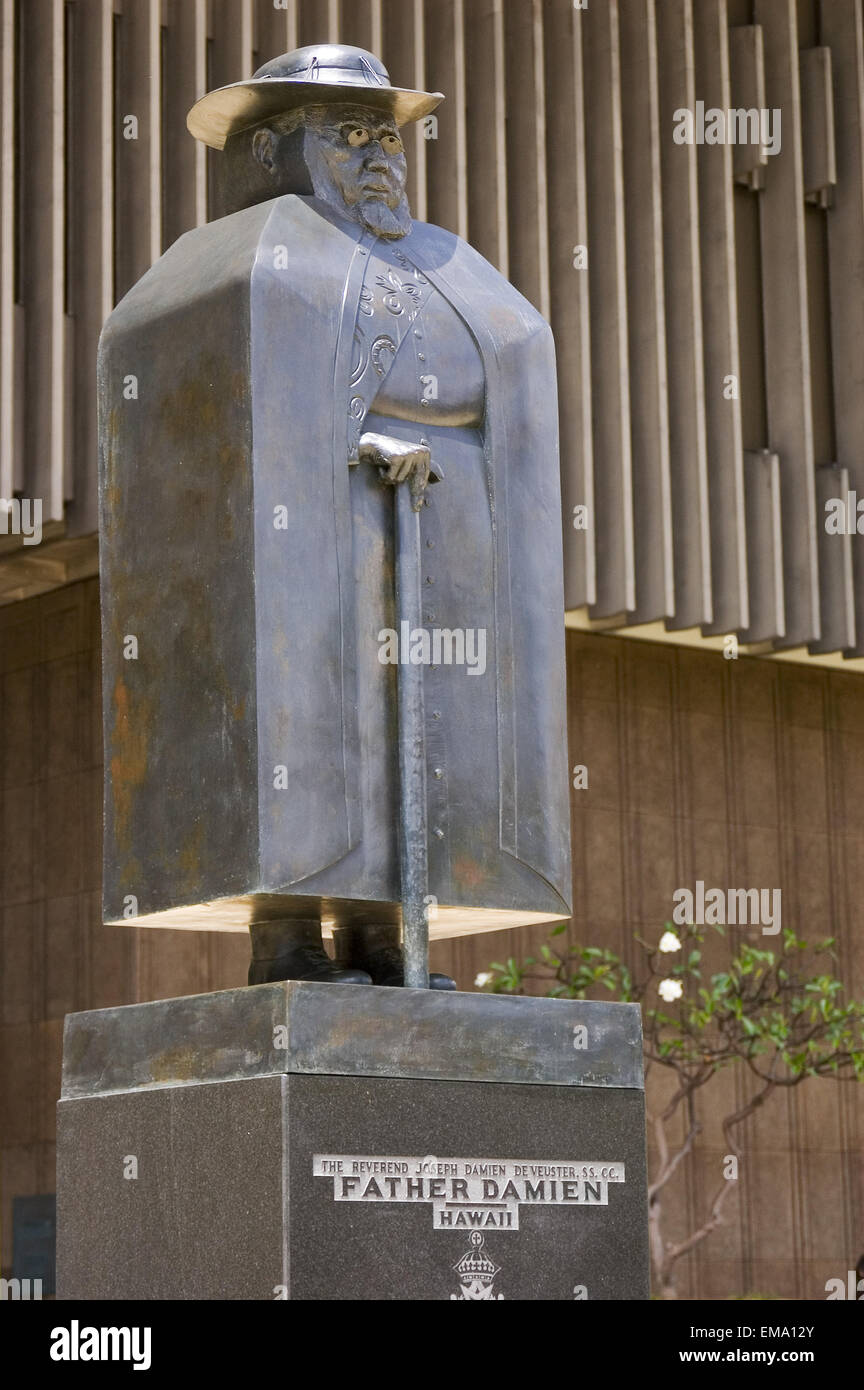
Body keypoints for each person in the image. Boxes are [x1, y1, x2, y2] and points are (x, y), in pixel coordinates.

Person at [98, 45, 571, 988]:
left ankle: (388, 926)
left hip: (447, 540)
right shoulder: (242, 262)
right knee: (310, 720)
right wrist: (346, 458)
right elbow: (240, 416)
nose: (380, 157)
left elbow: (512, 355)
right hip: (309, 540)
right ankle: (283, 932)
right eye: (349, 137)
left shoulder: (446, 259)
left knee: (427, 728)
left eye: (386, 137)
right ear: (276, 147)